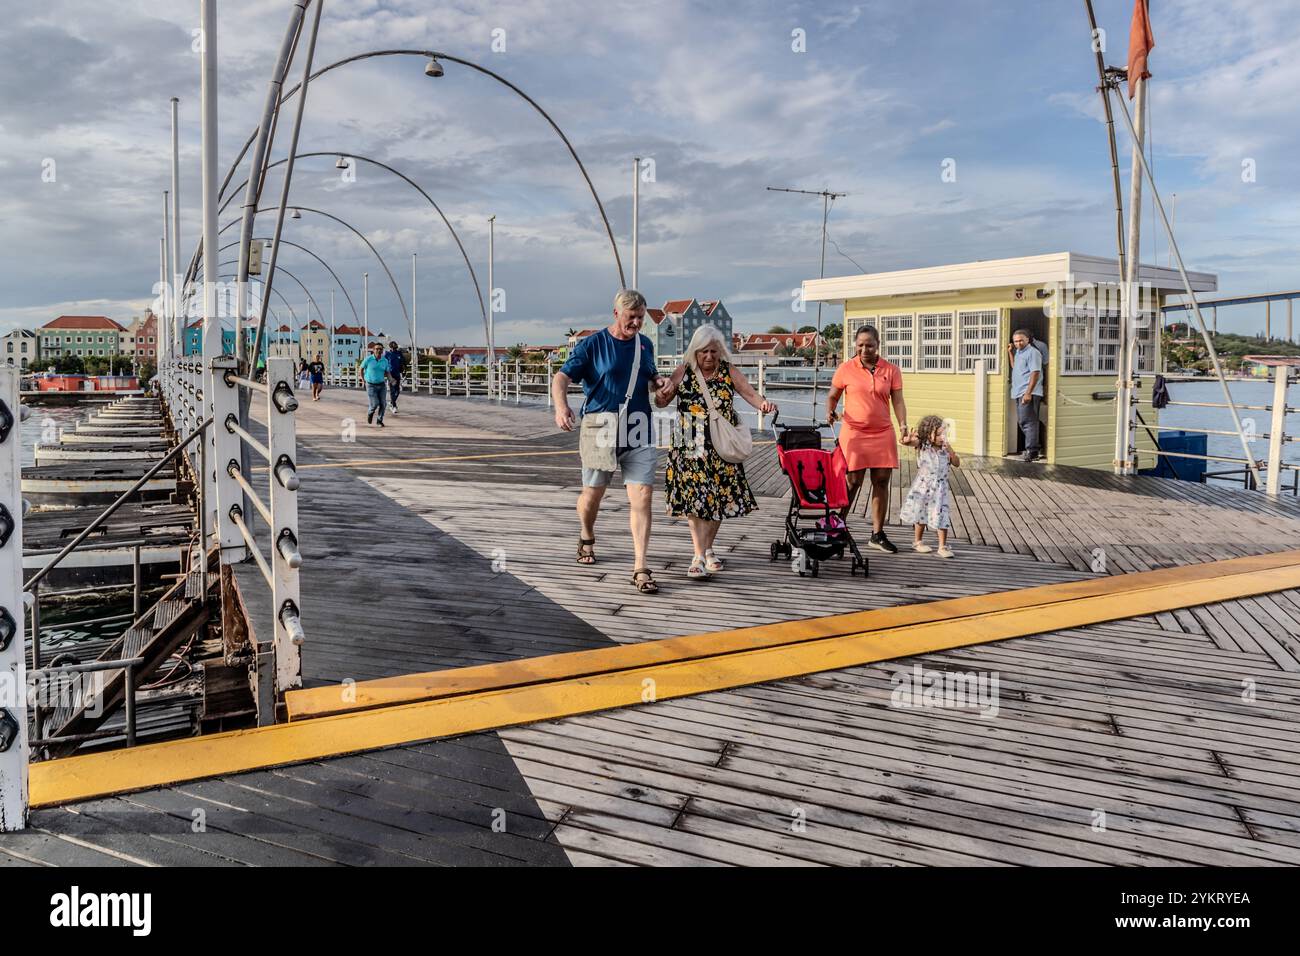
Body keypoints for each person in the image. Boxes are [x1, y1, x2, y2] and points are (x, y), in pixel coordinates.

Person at [551, 289, 668, 594]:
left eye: (641, 317)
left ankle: (640, 566)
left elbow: (650, 375)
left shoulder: (645, 344)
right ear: (616, 313)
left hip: (638, 425)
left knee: (642, 496)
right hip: (601, 425)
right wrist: (562, 407)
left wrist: (659, 382)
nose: (637, 323)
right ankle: (587, 534)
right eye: (631, 317)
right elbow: (561, 378)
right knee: (593, 494)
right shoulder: (592, 345)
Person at [655, 325, 775, 580]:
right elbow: (662, 399)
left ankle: (707, 549)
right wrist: (661, 396)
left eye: (713, 351)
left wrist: (763, 404)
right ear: (694, 352)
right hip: (690, 439)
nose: (709, 356)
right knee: (694, 499)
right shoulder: (685, 371)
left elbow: (749, 393)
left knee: (720, 498)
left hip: (722, 441)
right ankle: (700, 554)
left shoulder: (728, 370)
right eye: (703, 352)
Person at [826, 325, 908, 554]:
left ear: (878, 345)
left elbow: (898, 401)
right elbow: (832, 396)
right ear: (855, 344)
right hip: (854, 432)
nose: (864, 349)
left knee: (881, 481)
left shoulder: (891, 370)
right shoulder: (845, 368)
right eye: (860, 345)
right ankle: (836, 528)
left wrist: (902, 425)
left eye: (869, 345)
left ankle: (877, 534)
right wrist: (830, 411)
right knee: (852, 482)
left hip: (883, 432)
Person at [899, 415, 960, 558]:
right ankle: (918, 542)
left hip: (940, 489)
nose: (942, 437)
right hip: (923, 487)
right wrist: (906, 439)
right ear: (928, 434)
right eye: (938, 434)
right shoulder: (923, 446)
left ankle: (942, 546)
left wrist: (951, 451)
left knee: (942, 514)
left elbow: (957, 463)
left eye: (944, 433)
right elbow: (907, 442)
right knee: (921, 513)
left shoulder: (945, 449)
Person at [1009, 328, 1044, 461]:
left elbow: (1035, 372)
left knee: (1028, 422)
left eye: (1021, 341)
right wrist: (1010, 353)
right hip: (1019, 391)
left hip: (1028, 392)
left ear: (1027, 340)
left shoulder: (1033, 353)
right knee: (1024, 421)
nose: (1018, 343)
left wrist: (1028, 393)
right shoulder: (1019, 352)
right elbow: (1015, 366)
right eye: (1016, 341)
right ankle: (1034, 448)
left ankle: (1032, 451)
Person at [362, 342, 389, 427]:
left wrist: (391, 379)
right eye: (377, 349)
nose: (378, 350)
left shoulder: (385, 360)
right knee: (375, 404)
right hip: (370, 385)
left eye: (380, 349)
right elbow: (361, 369)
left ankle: (379, 421)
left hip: (381, 385)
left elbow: (387, 372)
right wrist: (363, 380)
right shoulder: (368, 359)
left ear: (382, 350)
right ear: (373, 350)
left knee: (383, 403)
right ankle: (370, 413)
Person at [385, 341, 405, 414]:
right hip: (390, 374)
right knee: (392, 390)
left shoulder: (399, 353)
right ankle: (394, 406)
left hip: (397, 374)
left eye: (395, 348)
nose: (394, 349)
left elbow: (402, 362)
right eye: (393, 348)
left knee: (398, 390)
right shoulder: (387, 354)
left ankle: (391, 402)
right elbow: (384, 362)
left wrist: (404, 369)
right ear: (390, 347)